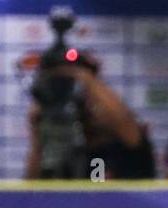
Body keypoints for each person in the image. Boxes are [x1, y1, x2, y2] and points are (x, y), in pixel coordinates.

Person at [23, 51, 154, 180]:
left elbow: (123, 120)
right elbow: (33, 193)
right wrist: (38, 131)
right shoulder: (66, 151)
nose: (90, 109)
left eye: (92, 101)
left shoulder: (126, 144)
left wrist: (84, 77)